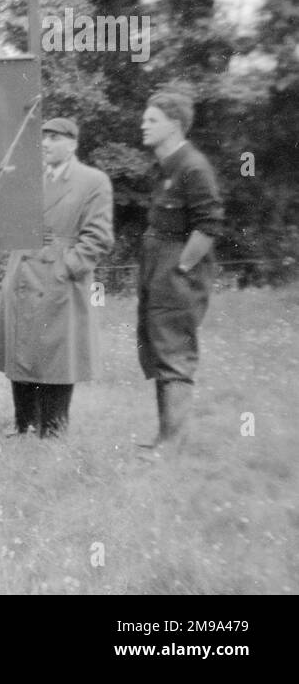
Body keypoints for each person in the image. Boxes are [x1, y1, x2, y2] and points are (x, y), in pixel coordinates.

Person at [0, 117, 114, 436]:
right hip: (23, 272)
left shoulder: (93, 181)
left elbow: (99, 238)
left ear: (72, 144)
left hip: (59, 278)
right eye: (43, 137)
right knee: (21, 350)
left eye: (54, 137)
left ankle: (53, 430)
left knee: (58, 357)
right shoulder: (30, 179)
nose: (45, 143)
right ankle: (24, 426)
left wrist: (66, 268)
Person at [137, 91, 224, 455]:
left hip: (177, 269)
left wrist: (181, 267)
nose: (143, 124)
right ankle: (164, 439)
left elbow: (209, 226)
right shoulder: (166, 164)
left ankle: (172, 446)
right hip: (157, 264)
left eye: (152, 120)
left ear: (175, 125)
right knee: (159, 348)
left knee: (173, 351)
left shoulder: (193, 166)